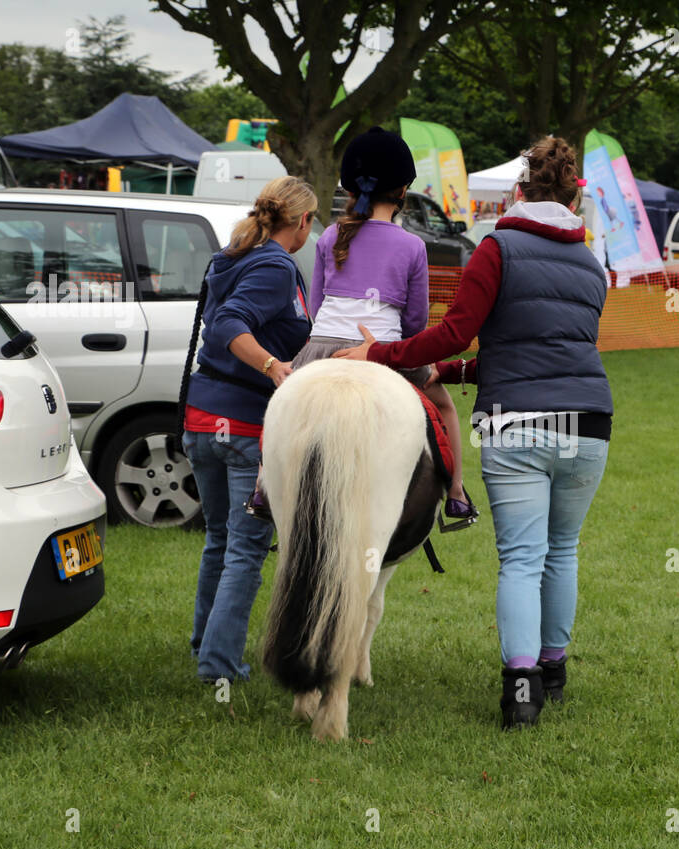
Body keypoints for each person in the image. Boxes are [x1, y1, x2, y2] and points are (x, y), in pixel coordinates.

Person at [334, 136, 613, 730]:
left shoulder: (498, 247)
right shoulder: (593, 265)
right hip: (589, 422)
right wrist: (455, 373)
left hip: (517, 423)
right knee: (562, 550)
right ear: (571, 198)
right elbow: (547, 350)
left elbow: (457, 331)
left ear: (518, 192)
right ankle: (554, 672)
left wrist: (378, 353)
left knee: (519, 558)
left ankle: (521, 694)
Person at [283, 126, 476, 523]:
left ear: (350, 187)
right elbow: (416, 320)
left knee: (283, 406)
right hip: (383, 352)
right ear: (403, 191)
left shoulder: (329, 236)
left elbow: (317, 305)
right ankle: (456, 494)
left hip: (322, 346)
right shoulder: (412, 246)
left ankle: (264, 485)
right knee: (445, 408)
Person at [181, 176, 316, 683]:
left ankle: (206, 645)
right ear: (302, 222)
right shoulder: (277, 266)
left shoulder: (234, 255)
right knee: (246, 545)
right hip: (242, 425)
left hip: (203, 419)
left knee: (221, 538)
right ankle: (219, 665)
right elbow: (230, 322)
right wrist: (271, 367)